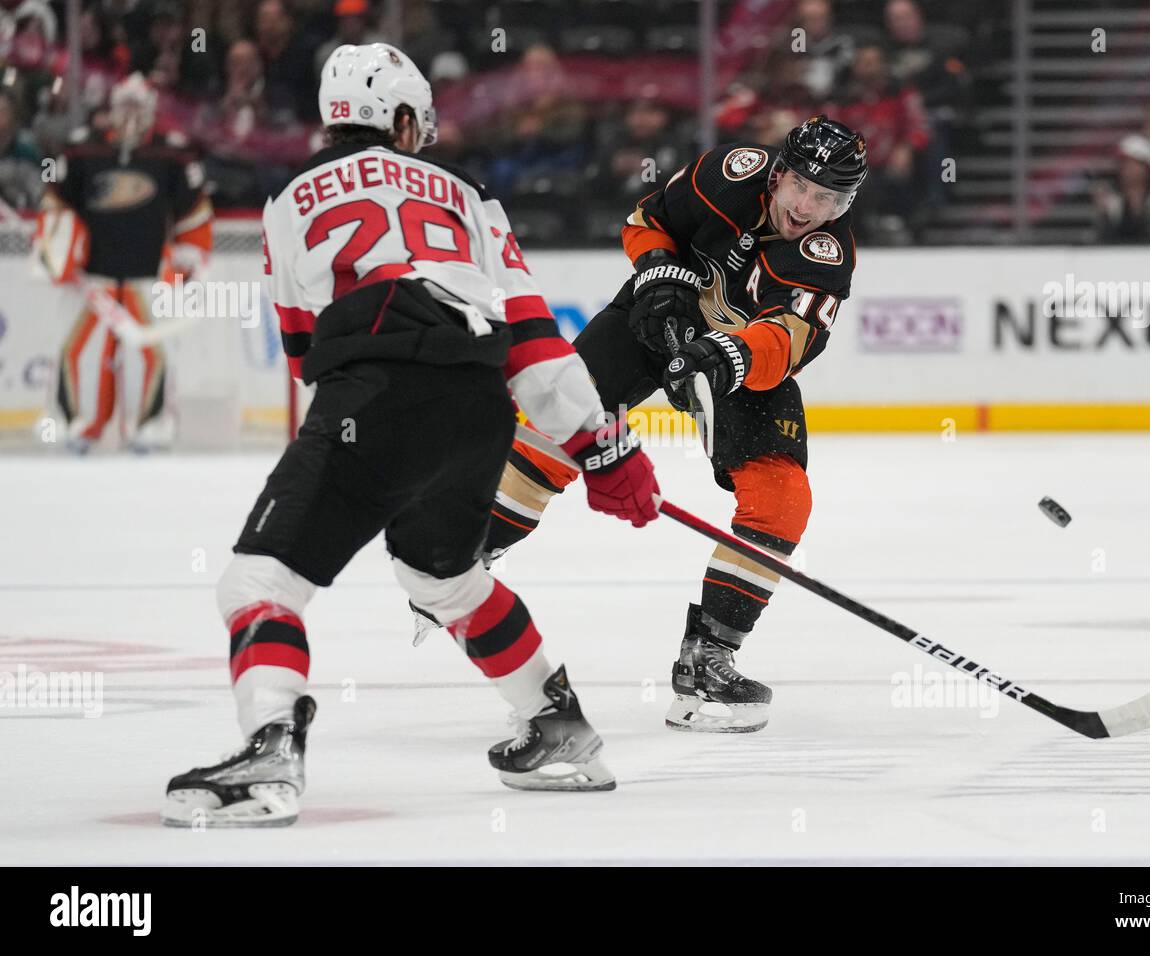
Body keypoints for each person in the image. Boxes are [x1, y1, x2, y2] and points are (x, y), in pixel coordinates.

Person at [162, 44, 659, 827]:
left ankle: (268, 752)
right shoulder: (470, 193)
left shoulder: (288, 197)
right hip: (479, 403)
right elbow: (533, 341)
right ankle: (557, 727)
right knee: (445, 580)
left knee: (258, 585)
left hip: (378, 390)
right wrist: (599, 444)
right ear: (400, 120)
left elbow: (301, 352)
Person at [486, 115, 865, 733]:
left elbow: (787, 340)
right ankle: (470, 549)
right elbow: (645, 223)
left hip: (737, 367)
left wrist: (731, 355)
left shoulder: (827, 254)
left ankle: (708, 657)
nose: (807, 207)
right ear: (779, 173)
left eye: (828, 198)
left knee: (782, 496)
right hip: (658, 319)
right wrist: (661, 274)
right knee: (560, 426)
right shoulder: (729, 174)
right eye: (801, 186)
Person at [35, 71, 212, 452]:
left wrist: (191, 253)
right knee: (77, 353)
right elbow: (55, 202)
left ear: (151, 111)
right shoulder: (80, 149)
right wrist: (54, 244)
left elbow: (194, 212)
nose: (130, 114)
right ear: (110, 110)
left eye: (138, 106)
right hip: (89, 279)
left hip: (148, 278)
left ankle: (148, 427)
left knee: (150, 355)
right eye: (123, 106)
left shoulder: (174, 153)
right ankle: (73, 426)